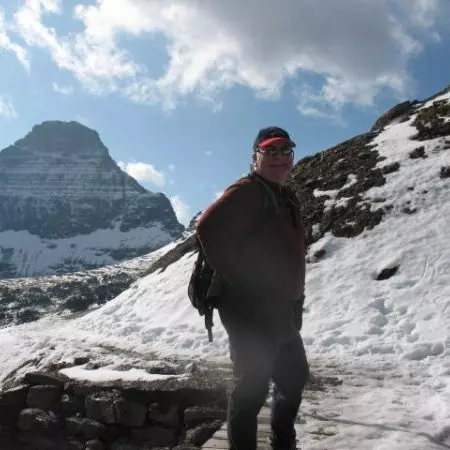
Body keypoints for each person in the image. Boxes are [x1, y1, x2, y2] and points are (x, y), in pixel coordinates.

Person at [196, 126, 309, 450]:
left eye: (284, 150)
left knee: (294, 374)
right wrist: (245, 283)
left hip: (279, 307)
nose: (278, 157)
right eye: (269, 151)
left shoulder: (283, 196)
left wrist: (295, 299)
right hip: (249, 309)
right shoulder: (248, 191)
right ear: (254, 157)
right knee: (252, 385)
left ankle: (282, 441)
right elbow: (208, 226)